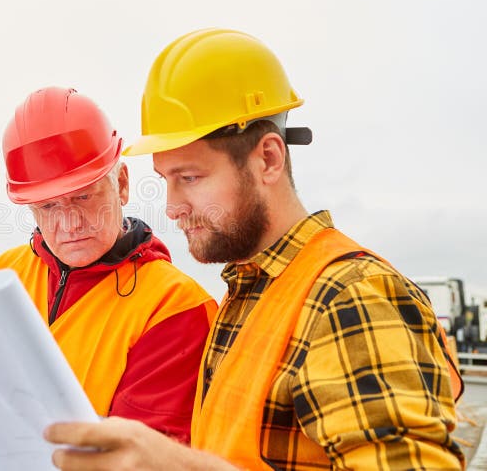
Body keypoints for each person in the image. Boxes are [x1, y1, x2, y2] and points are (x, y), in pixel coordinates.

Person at [44, 30, 464, 469]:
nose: (172, 208)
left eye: (190, 178)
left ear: (267, 159)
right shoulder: (248, 295)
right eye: (166, 180)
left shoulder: (350, 298)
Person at [0, 86, 218, 442]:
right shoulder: (1, 278)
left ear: (121, 184)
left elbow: (137, 459)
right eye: (48, 206)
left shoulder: (174, 306)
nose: (69, 223)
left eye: (83, 195)